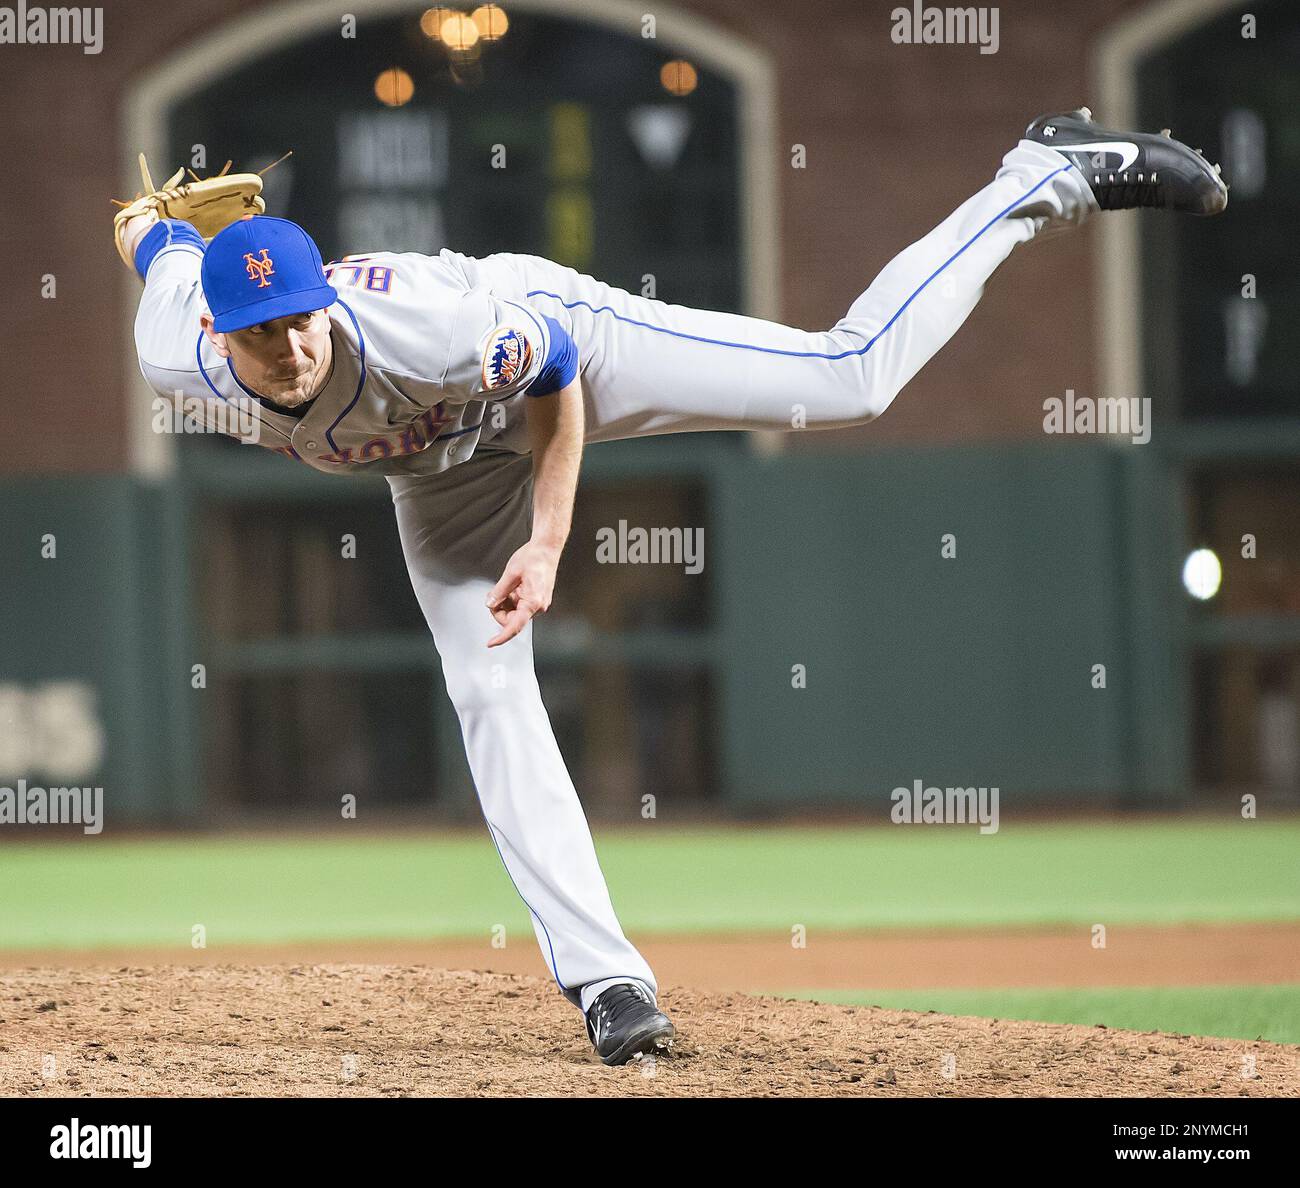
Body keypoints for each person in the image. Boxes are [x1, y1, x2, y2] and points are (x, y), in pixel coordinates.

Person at [120, 109, 1226, 1066]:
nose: (291, 345)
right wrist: (152, 232)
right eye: (262, 334)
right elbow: (157, 255)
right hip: (439, 476)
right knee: (489, 692)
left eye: (302, 316)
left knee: (847, 378)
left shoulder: (431, 324)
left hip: (560, 362)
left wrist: (548, 542)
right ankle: (608, 985)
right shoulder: (180, 351)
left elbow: (552, 374)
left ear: (324, 298)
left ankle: (1040, 176)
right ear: (219, 334)